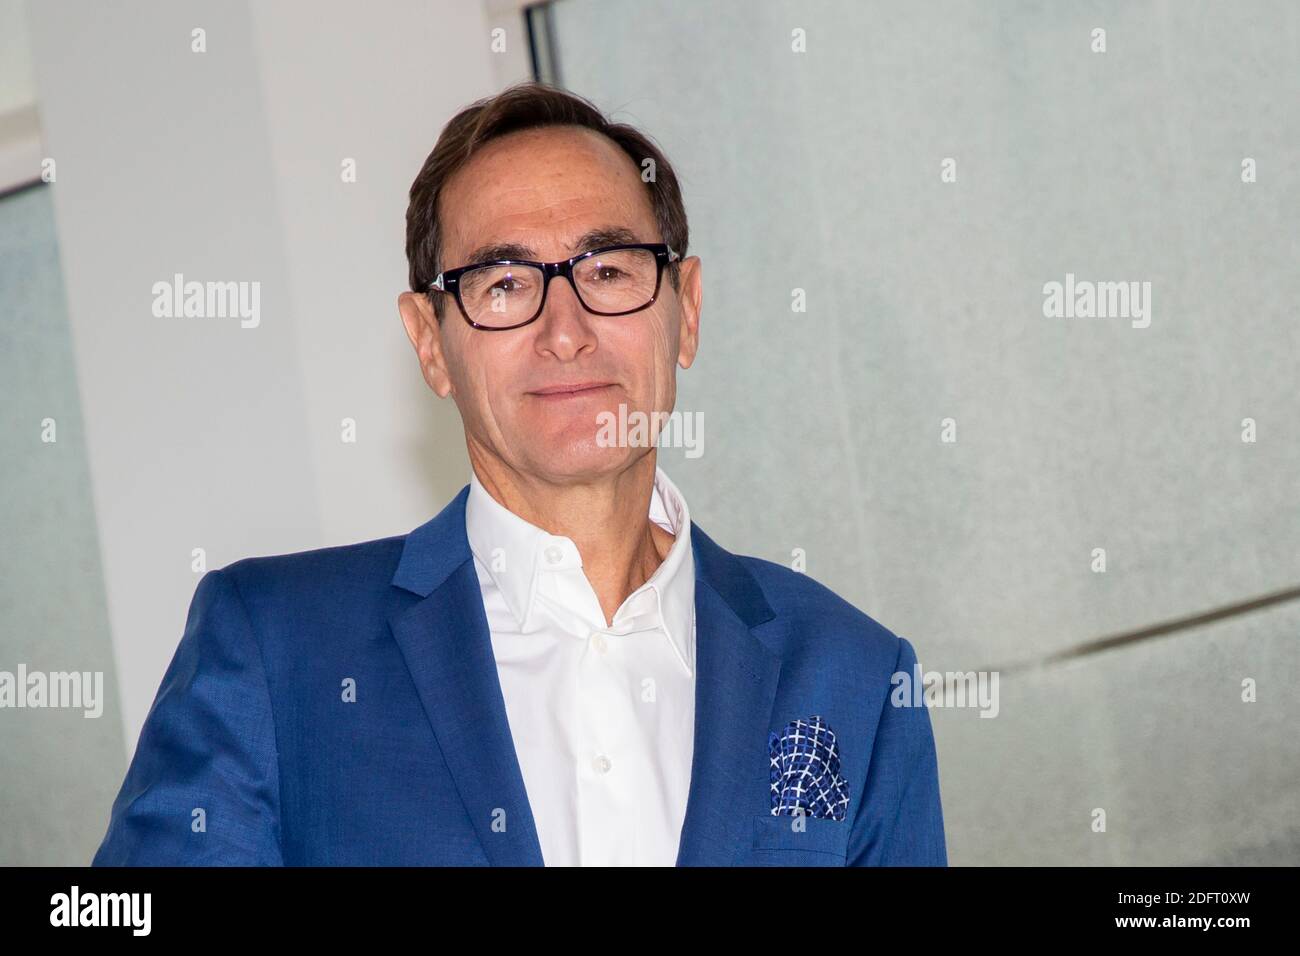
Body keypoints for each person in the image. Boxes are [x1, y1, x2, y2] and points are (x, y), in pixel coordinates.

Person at [92, 82, 946, 866]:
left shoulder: (855, 678)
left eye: (608, 270)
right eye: (503, 285)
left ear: (685, 311)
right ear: (431, 343)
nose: (565, 330)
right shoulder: (276, 652)